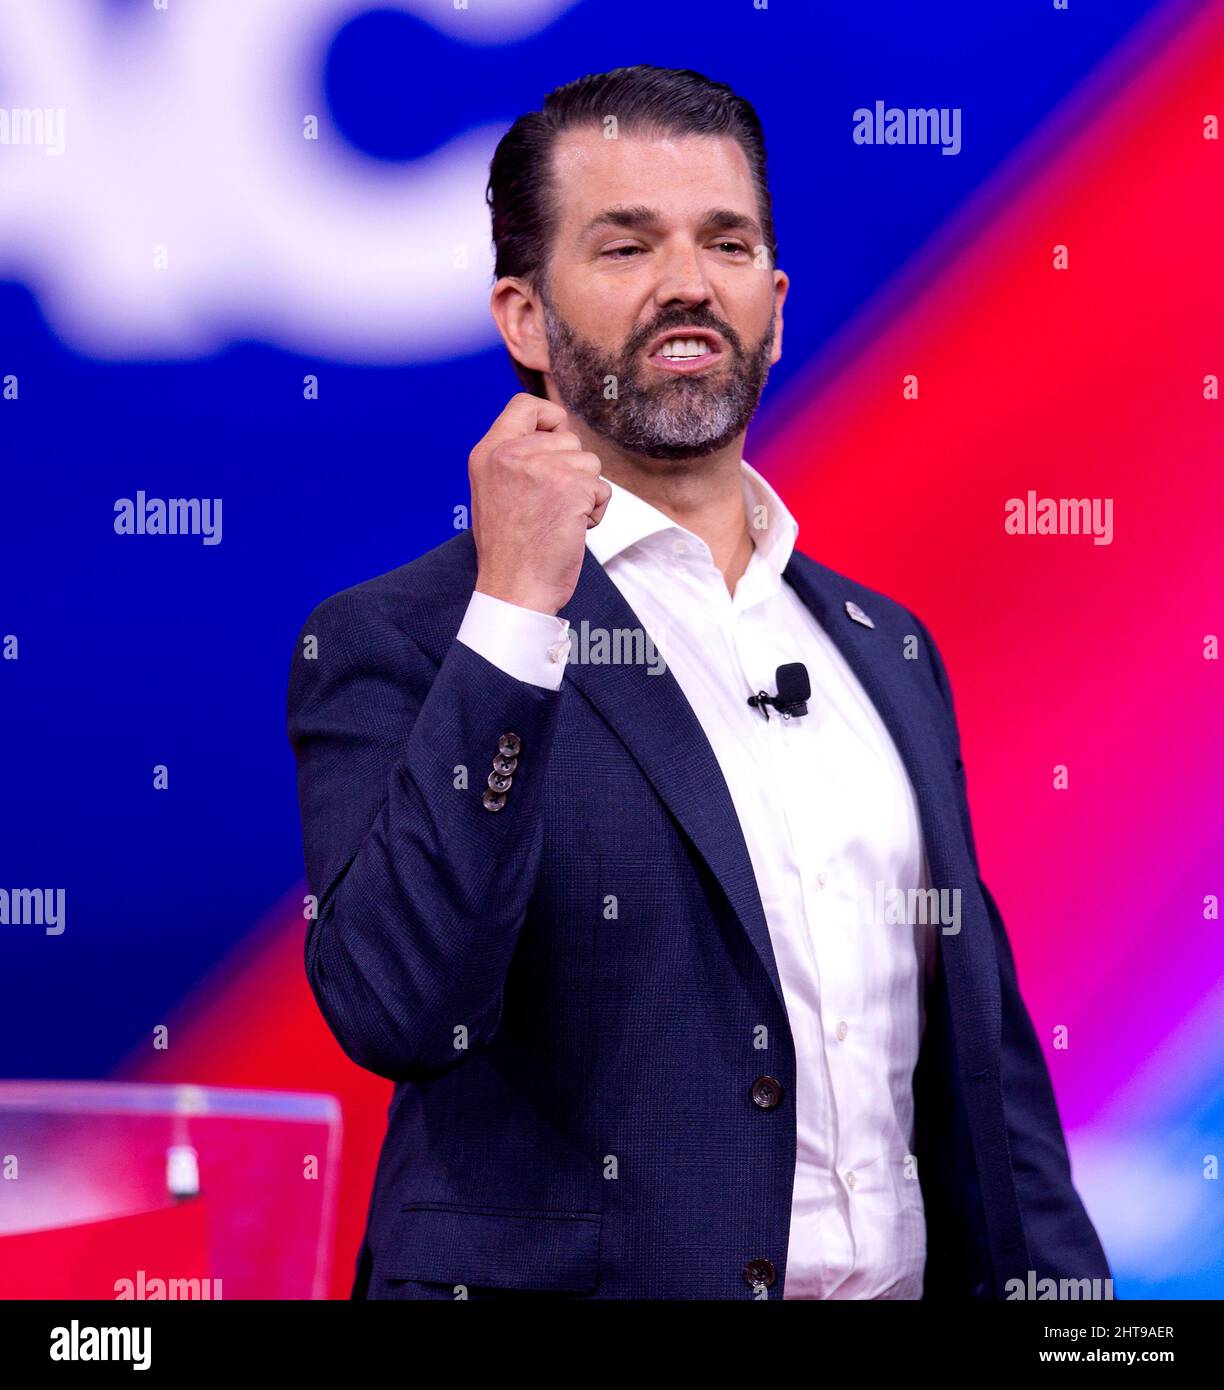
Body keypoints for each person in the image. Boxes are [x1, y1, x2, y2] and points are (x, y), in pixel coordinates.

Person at [287, 65, 1109, 1300]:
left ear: (772, 305)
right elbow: (402, 1007)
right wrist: (514, 613)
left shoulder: (883, 647)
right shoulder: (404, 639)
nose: (688, 281)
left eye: (725, 242)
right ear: (523, 317)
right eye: (625, 246)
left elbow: (986, 1070)